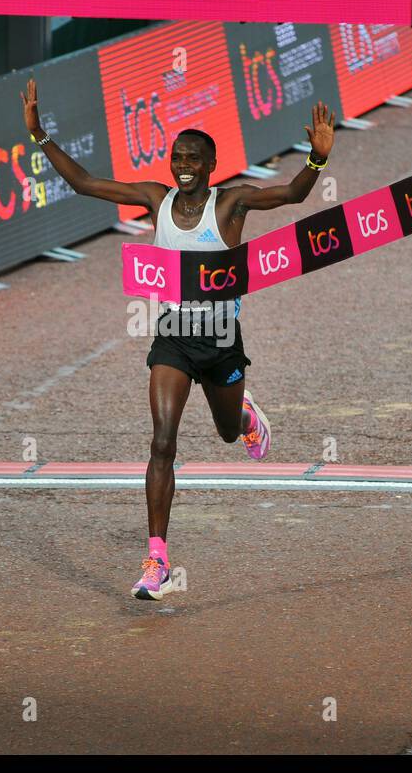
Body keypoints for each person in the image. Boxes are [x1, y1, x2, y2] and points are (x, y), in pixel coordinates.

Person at [19, 78, 336, 597]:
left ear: (211, 165)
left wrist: (316, 160)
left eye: (193, 158)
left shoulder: (231, 203)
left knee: (228, 433)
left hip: (220, 339)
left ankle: (246, 415)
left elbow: (291, 194)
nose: (183, 164)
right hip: (172, 336)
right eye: (176, 156)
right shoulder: (155, 198)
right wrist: (39, 136)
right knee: (162, 441)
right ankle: (157, 559)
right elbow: (85, 184)